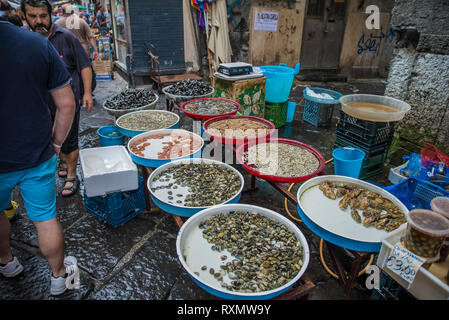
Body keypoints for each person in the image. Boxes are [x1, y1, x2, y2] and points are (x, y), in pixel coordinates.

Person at [0, 7, 78, 296]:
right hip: (36, 151)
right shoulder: (35, 43)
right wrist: (57, 144)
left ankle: (6, 262)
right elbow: (67, 104)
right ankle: (59, 277)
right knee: (45, 217)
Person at [22, 0, 94, 197]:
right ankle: (62, 162)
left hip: (68, 102)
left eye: (43, 16)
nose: (38, 21)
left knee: (70, 140)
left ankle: (72, 175)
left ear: (51, 14)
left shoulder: (66, 37)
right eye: (32, 16)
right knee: (52, 139)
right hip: (40, 104)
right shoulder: (24, 40)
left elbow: (85, 66)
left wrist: (87, 92)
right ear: (24, 16)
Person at [56, 3, 98, 92]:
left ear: (62, 12)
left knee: (70, 73)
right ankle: (87, 91)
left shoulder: (57, 23)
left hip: (66, 52)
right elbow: (91, 36)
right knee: (87, 70)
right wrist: (95, 50)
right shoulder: (81, 21)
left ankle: (75, 91)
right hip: (83, 50)